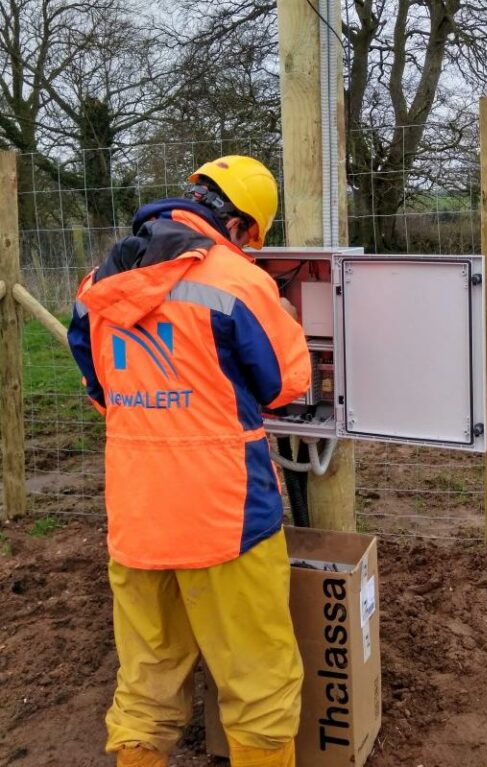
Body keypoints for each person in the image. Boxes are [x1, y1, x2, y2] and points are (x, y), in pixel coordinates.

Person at [67, 155, 311, 767]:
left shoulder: (98, 281)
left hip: (137, 516)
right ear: (244, 225)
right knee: (259, 680)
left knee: (146, 680)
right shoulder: (239, 281)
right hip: (228, 517)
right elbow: (285, 383)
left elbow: (101, 391)